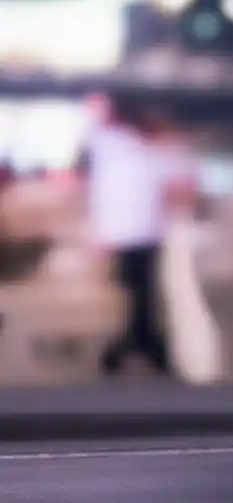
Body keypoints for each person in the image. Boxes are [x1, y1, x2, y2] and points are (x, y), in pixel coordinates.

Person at [87, 99, 190, 375]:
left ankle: (139, 344)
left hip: (133, 233)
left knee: (140, 293)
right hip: (138, 233)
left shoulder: (115, 145)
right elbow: (177, 189)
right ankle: (143, 344)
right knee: (141, 293)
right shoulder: (134, 146)